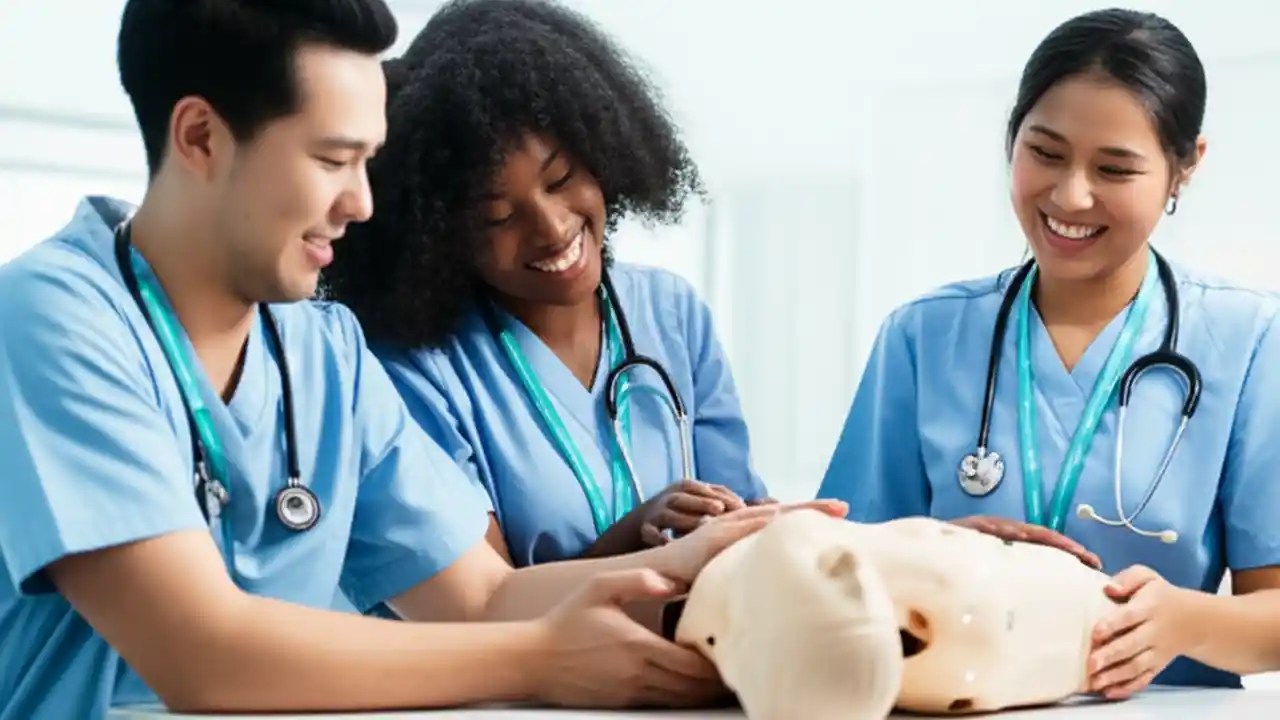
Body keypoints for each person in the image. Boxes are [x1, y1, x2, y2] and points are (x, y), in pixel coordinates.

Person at [0, 2, 803, 717]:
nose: (362, 203)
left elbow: (483, 600)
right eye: (331, 160)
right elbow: (203, 656)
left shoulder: (327, 355)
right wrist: (544, 657)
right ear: (201, 137)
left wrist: (701, 563)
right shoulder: (52, 315)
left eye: (368, 161)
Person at [818, 8, 1280, 699]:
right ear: (1012, 137)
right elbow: (832, 575)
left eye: (1116, 168)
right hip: (954, 704)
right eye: (1045, 153)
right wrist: (927, 550)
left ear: (1184, 168)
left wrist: (1184, 621)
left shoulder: (1248, 340)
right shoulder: (923, 337)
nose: (1070, 196)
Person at [324, 0, 795, 568]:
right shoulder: (419, 372)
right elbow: (484, 604)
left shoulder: (672, 313)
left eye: (563, 179)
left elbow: (738, 520)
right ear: (438, 234)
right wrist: (633, 539)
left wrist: (773, 532)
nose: (551, 228)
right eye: (498, 217)